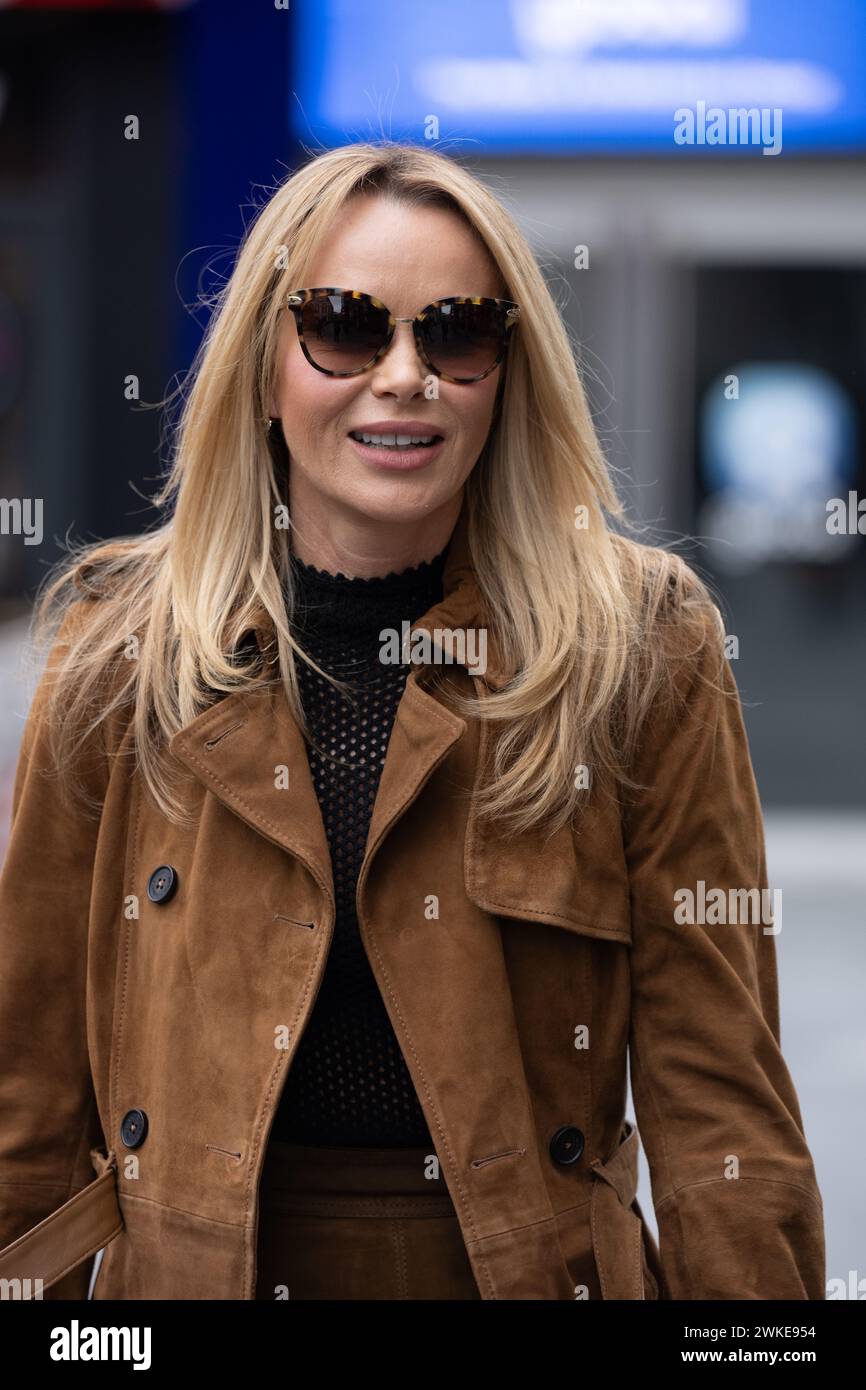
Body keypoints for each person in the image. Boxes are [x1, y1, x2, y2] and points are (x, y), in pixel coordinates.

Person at [0, 141, 824, 1301]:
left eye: (455, 332)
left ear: (505, 368)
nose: (405, 376)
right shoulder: (118, 648)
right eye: (344, 324)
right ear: (261, 362)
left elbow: (717, 1090)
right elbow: (26, 1094)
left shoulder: (639, 645)